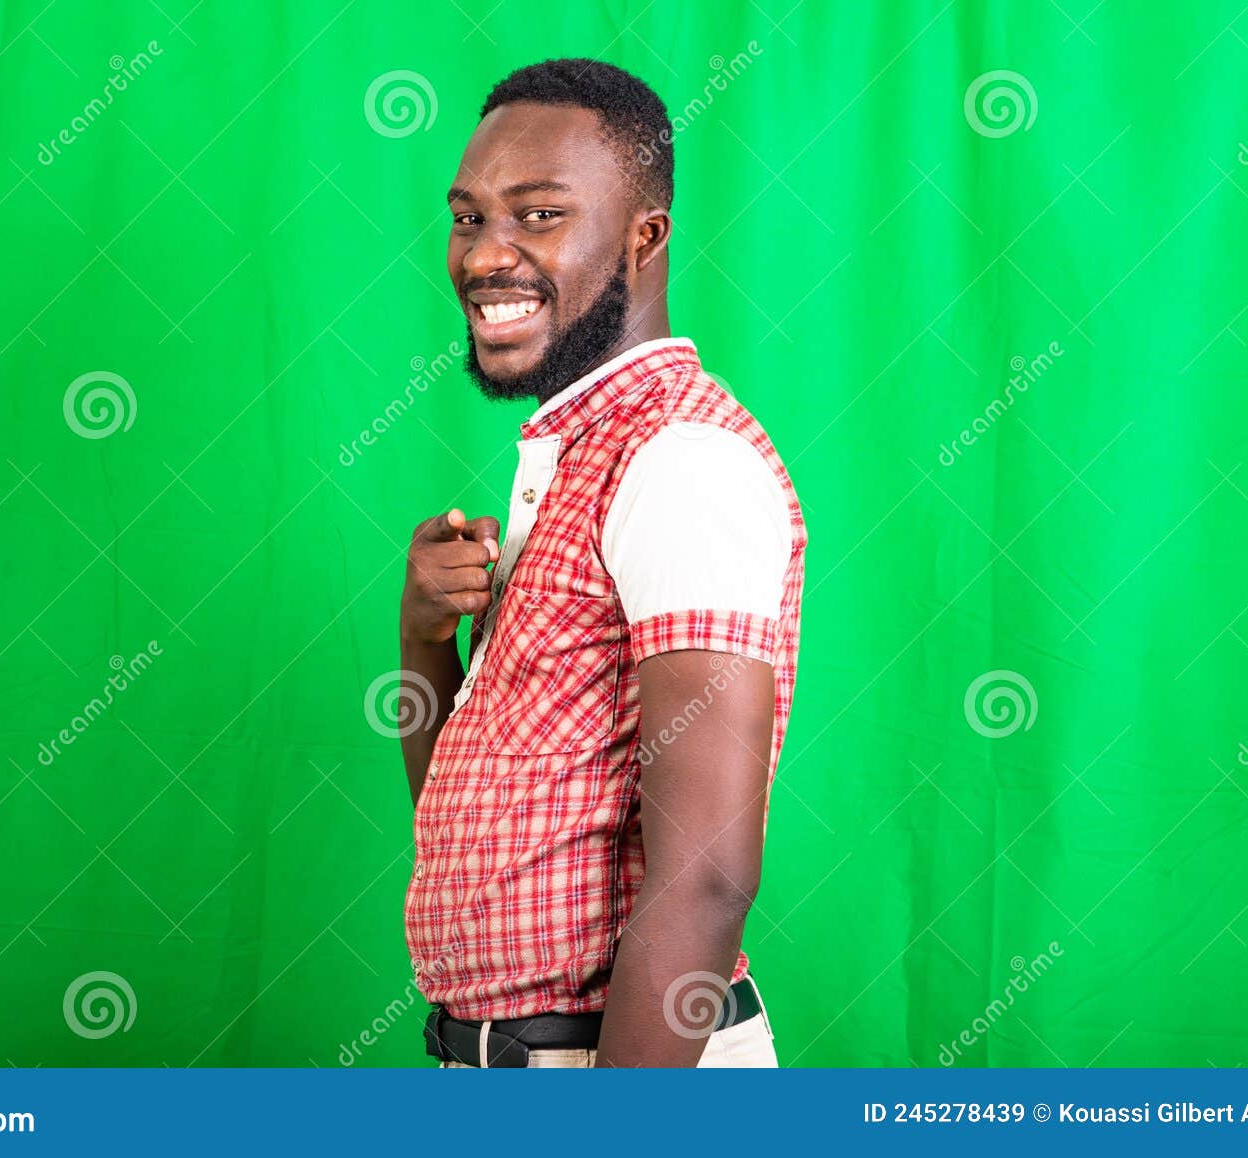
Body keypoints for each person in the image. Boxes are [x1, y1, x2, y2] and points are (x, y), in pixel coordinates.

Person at [396, 57, 806, 1067]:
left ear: (644, 236)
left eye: (537, 215)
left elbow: (707, 876)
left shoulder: (680, 462)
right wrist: (421, 636)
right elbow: (468, 822)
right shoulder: (573, 456)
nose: (485, 255)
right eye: (468, 216)